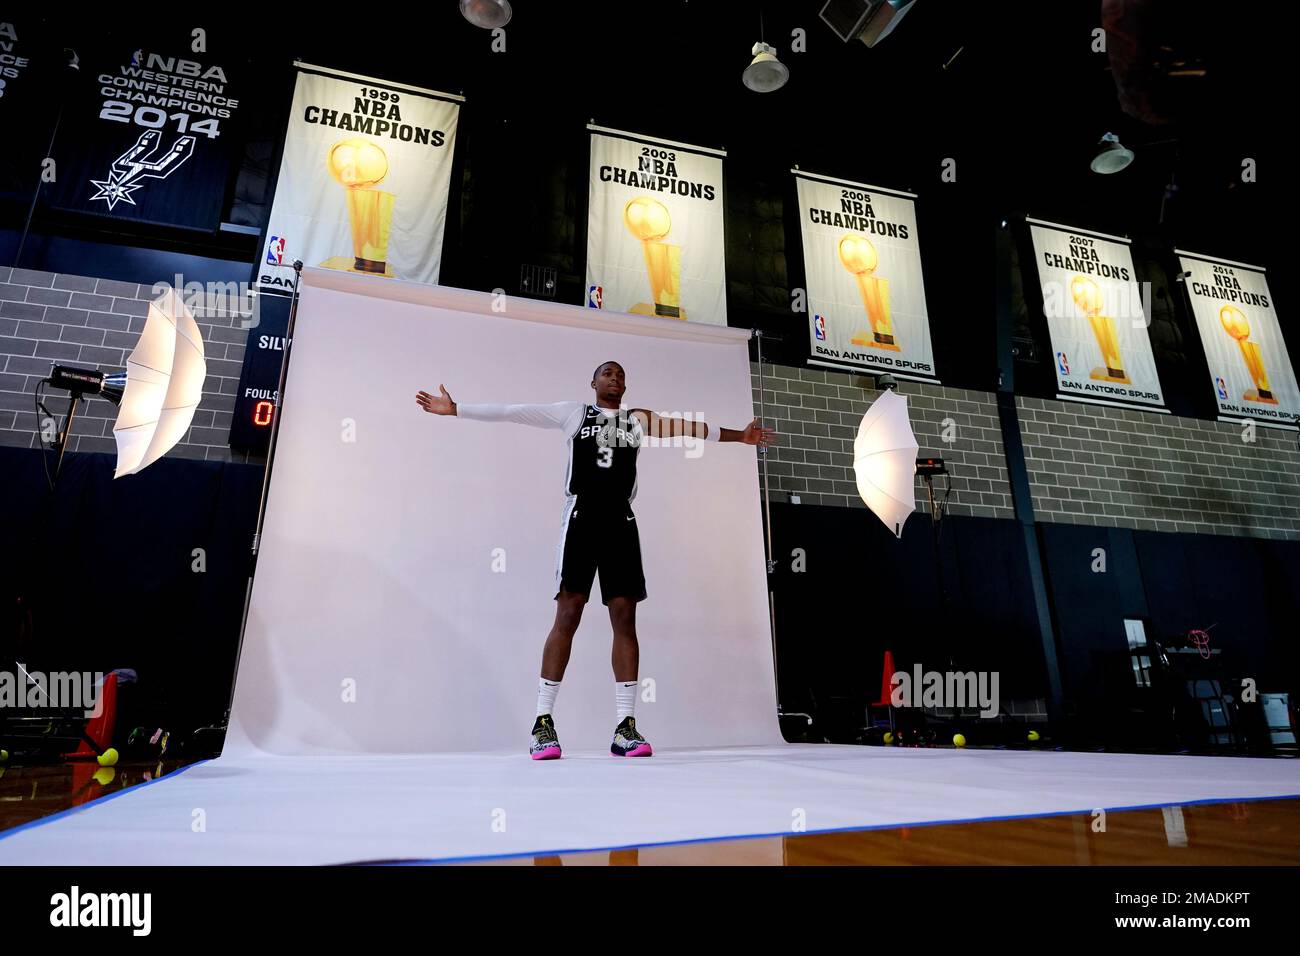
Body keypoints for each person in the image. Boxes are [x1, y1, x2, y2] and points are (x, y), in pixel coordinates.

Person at [415, 360, 776, 759]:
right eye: (607, 373)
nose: (615, 378)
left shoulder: (638, 420)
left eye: (621, 374)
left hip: (621, 522)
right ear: (593, 383)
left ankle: (625, 727)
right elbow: (515, 411)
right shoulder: (574, 413)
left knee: (624, 617)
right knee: (568, 613)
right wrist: (458, 408)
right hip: (581, 519)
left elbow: (689, 428)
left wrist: (739, 437)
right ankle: (542, 723)